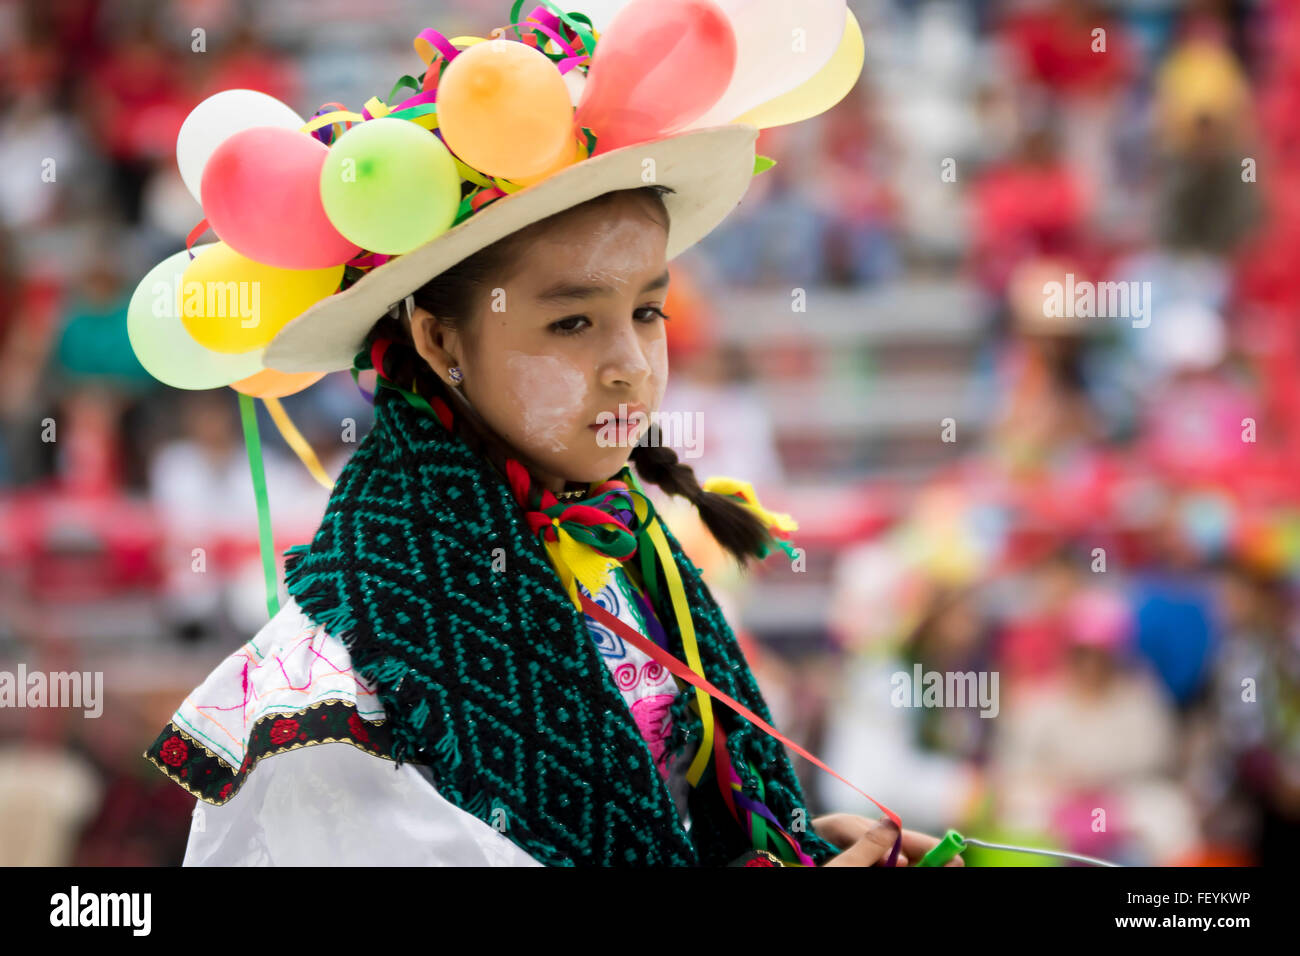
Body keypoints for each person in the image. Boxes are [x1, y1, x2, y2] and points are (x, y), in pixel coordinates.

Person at [142, 5, 955, 868]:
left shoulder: (624, 553)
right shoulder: (345, 690)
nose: (630, 367)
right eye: (572, 322)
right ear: (441, 341)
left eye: (647, 312)